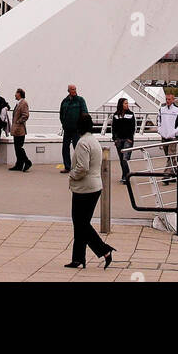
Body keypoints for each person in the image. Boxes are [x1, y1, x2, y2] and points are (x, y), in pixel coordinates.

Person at [65, 113, 116, 269]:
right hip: (95, 186)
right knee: (82, 224)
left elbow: (82, 168)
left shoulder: (82, 143)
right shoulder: (94, 141)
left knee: (80, 224)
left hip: (84, 188)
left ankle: (103, 250)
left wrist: (71, 174)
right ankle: (79, 258)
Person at [58, 84, 88, 173]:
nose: (74, 91)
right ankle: (67, 167)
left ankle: (80, 166)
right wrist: (63, 123)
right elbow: (61, 114)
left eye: (75, 89)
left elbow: (84, 113)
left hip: (76, 129)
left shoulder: (80, 100)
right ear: (68, 90)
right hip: (67, 129)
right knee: (65, 148)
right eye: (72, 89)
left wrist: (82, 126)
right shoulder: (65, 101)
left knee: (78, 148)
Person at [156, 93, 178, 184]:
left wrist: (174, 132)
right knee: (169, 156)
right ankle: (175, 173)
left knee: (171, 156)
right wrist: (160, 130)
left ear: (173, 100)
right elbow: (158, 121)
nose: (167, 101)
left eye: (169, 99)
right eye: (166, 99)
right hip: (164, 136)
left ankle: (166, 176)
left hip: (172, 137)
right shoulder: (161, 110)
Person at [110, 97, 136, 184]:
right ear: (121, 104)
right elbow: (113, 128)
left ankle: (126, 176)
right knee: (121, 159)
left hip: (127, 140)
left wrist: (130, 139)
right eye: (125, 103)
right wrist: (115, 139)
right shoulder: (116, 115)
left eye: (127, 103)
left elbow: (133, 127)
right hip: (119, 140)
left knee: (125, 159)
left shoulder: (131, 114)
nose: (127, 105)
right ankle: (124, 175)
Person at [9, 88, 31, 172]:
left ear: (19, 94)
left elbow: (25, 115)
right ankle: (19, 165)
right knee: (17, 148)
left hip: (20, 130)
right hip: (17, 130)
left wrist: (18, 122)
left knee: (19, 148)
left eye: (16, 93)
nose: (15, 94)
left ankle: (27, 162)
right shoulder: (18, 103)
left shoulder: (23, 103)